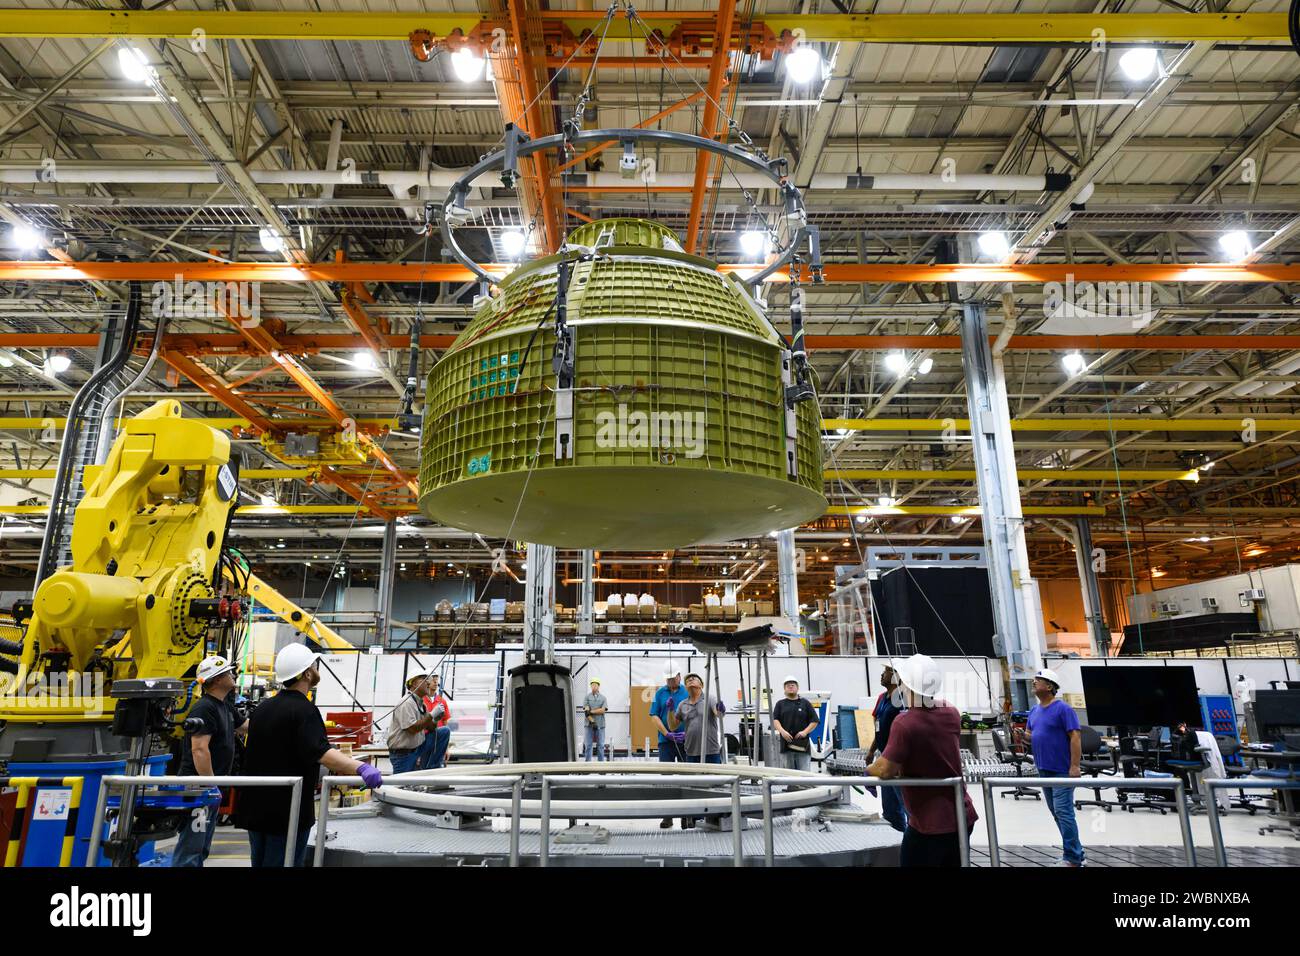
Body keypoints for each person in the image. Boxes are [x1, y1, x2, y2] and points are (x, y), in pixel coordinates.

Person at [235, 643, 383, 867]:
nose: (316, 668)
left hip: (256, 808)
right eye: (314, 665)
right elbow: (322, 753)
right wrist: (360, 767)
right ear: (306, 674)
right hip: (286, 811)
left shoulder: (263, 708)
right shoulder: (304, 710)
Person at [866, 654, 977, 867]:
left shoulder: (905, 723)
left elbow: (886, 769)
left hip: (929, 823)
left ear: (905, 683)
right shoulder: (951, 712)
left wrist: (869, 771)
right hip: (962, 814)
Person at [172, 655, 249, 867]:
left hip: (210, 788)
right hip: (199, 788)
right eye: (227, 672)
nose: (232, 675)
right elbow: (199, 749)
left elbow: (246, 726)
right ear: (216, 680)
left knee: (202, 845)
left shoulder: (224, 706)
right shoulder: (204, 708)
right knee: (192, 846)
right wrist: (211, 784)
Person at [1024, 667, 1085, 867]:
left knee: (1063, 812)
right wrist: (1023, 736)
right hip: (1044, 768)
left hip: (1062, 770)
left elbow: (1075, 737)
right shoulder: (1034, 711)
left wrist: (1074, 766)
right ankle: (1076, 852)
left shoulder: (1063, 709)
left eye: (1038, 680)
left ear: (1049, 686)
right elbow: (1031, 735)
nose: (1034, 682)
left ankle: (1073, 858)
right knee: (1056, 812)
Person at [867, 665, 908, 832]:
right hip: (884, 757)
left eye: (887, 671)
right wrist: (871, 751)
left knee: (904, 801)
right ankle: (896, 836)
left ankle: (913, 836)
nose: (882, 674)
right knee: (889, 805)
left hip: (897, 759)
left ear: (898, 676)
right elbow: (879, 727)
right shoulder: (881, 698)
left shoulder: (903, 698)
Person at [649, 665, 690, 828]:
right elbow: (654, 716)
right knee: (666, 778)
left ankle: (687, 815)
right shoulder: (660, 693)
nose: (671, 681)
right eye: (668, 679)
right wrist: (666, 733)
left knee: (687, 777)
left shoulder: (687, 692)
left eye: (673, 678)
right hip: (666, 742)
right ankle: (667, 815)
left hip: (686, 741)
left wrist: (688, 733)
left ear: (679, 676)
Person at [388, 671, 442, 775]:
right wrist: (431, 715)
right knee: (402, 783)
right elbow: (412, 729)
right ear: (413, 683)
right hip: (403, 755)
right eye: (424, 679)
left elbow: (430, 728)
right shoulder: (407, 702)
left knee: (443, 732)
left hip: (416, 750)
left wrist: (435, 719)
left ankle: (431, 768)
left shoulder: (420, 703)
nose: (428, 683)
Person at [669, 673, 726, 764]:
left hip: (711, 752)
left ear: (701, 685)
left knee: (712, 774)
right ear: (686, 687)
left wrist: (720, 709)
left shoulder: (710, 699)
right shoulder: (682, 704)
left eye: (693, 678)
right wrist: (670, 710)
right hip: (691, 753)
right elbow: (672, 726)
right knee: (693, 774)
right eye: (688, 680)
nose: (690, 680)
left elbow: (719, 714)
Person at [771, 675, 819, 772]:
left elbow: (815, 720)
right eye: (788, 685)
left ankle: (804, 783)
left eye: (793, 684)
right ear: (784, 689)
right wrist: (782, 731)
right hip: (786, 746)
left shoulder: (805, 703)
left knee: (804, 774)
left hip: (802, 746)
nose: (790, 686)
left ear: (797, 688)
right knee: (789, 774)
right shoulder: (780, 704)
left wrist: (805, 732)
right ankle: (791, 783)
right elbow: (775, 720)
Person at [416, 673, 453, 770]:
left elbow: (445, 723)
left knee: (436, 767)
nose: (435, 682)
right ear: (427, 682)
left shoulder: (442, 701)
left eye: (437, 680)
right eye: (433, 680)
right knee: (423, 768)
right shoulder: (421, 700)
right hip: (424, 741)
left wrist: (446, 748)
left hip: (439, 741)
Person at [582, 678, 608, 762]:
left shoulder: (603, 698)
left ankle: (601, 765)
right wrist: (592, 721)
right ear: (590, 686)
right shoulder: (587, 697)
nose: (594, 686)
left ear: (599, 686)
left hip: (600, 725)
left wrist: (592, 711)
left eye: (595, 685)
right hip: (588, 725)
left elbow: (603, 710)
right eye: (592, 685)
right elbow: (586, 712)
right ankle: (587, 765)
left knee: (600, 745)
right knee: (588, 745)